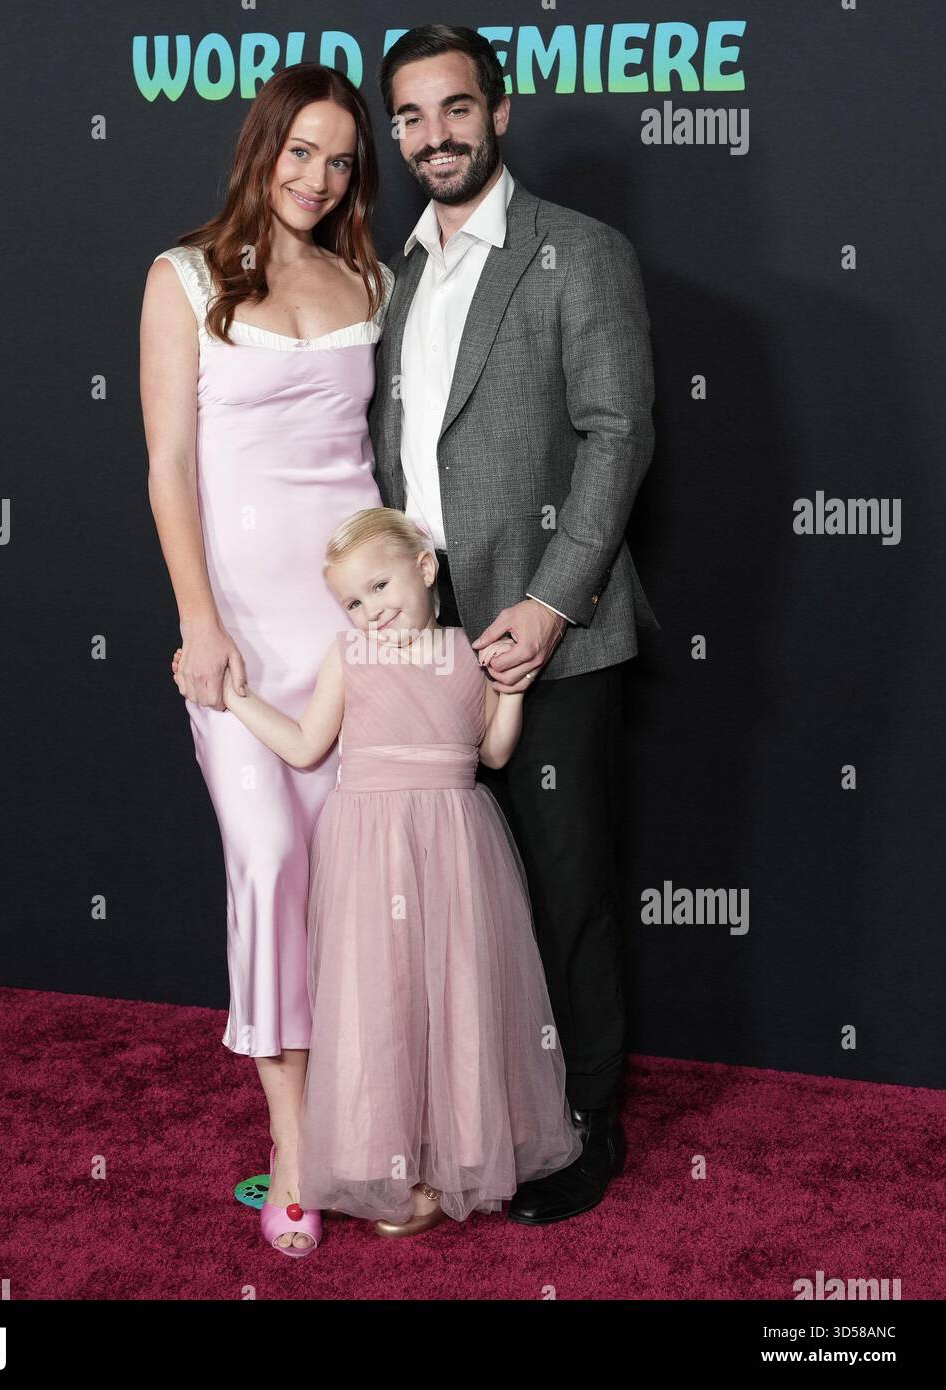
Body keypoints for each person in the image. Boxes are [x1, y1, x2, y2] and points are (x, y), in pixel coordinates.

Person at [367, 26, 660, 1221]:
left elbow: (617, 434)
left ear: (498, 111)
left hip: (554, 635)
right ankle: (475, 1113)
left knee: (563, 890)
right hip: (424, 649)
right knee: (445, 904)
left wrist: (547, 603)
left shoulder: (575, 251)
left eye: (453, 108)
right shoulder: (393, 277)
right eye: (410, 116)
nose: (432, 135)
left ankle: (586, 1125)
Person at [140, 63, 394, 1254]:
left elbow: (379, 462)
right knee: (270, 859)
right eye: (301, 152)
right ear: (262, 148)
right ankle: (294, 1141)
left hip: (355, 630)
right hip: (240, 635)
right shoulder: (184, 278)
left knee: (353, 881)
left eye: (339, 160)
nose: (317, 178)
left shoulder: (370, 281)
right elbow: (167, 466)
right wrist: (198, 620)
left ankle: (367, 1118)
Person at [172, 508, 583, 1241]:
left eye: (380, 586)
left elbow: (492, 752)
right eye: (353, 602)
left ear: (425, 567)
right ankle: (381, 1162)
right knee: (377, 996)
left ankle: (454, 1156)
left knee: (456, 989)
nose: (370, 610)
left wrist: (513, 692)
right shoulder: (350, 657)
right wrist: (235, 698)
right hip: (368, 849)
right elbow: (305, 746)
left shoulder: (468, 652)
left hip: (455, 843)